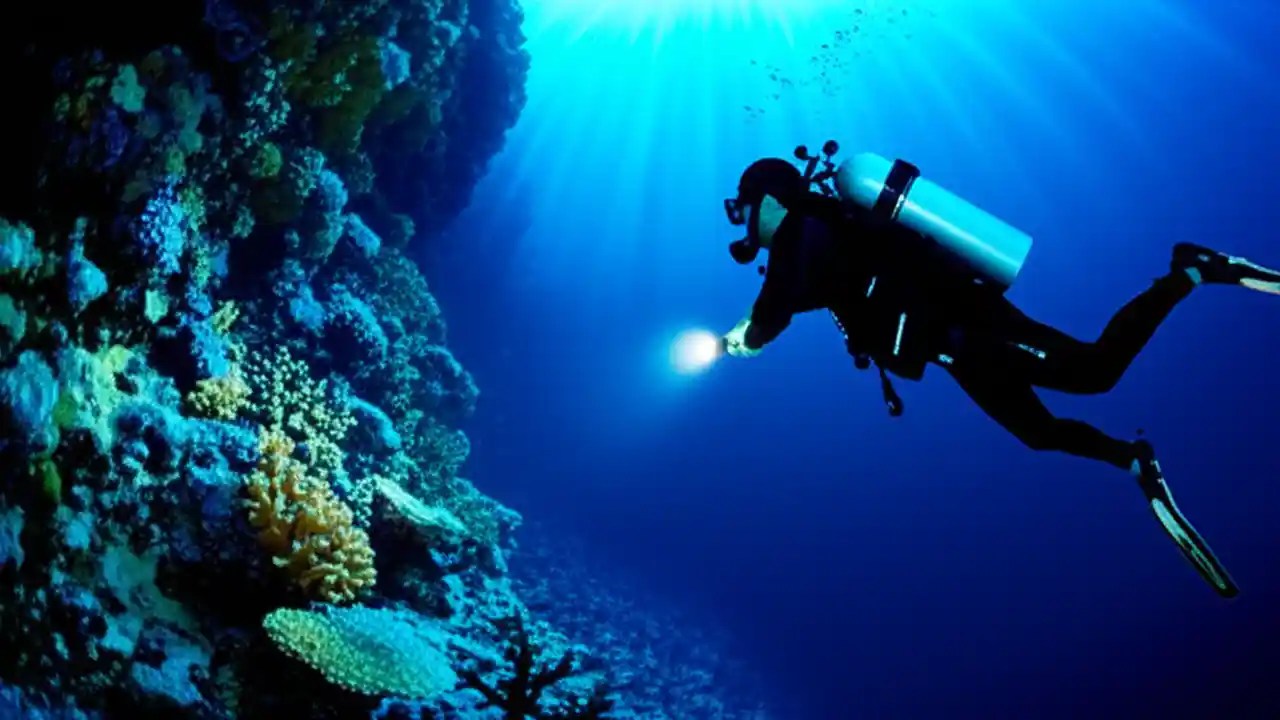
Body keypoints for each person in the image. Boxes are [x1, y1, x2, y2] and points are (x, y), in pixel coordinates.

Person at [716, 150, 1280, 598]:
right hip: (956, 352)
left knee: (1095, 370)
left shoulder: (806, 229)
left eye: (742, 209)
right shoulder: (820, 243)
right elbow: (800, 295)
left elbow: (779, 301)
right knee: (1038, 432)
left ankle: (1190, 272)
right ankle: (1133, 459)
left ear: (769, 198)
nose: (743, 224)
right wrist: (746, 330)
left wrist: (753, 335)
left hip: (970, 327)